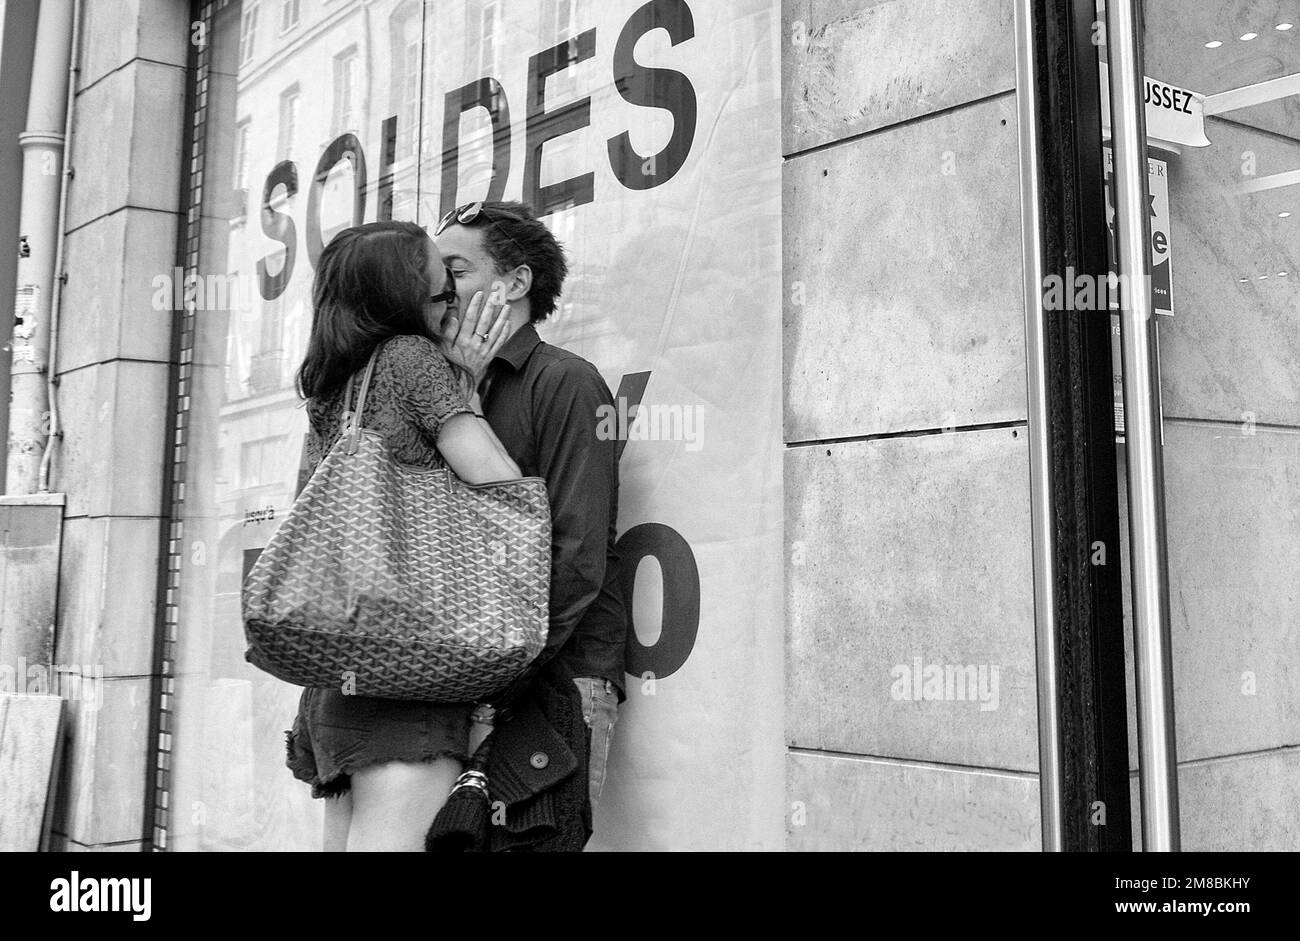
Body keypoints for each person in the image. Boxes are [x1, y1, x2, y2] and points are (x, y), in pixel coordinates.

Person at [284, 219, 518, 852]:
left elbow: (307, 506)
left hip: (339, 681)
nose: (453, 310)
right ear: (402, 297)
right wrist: (462, 387)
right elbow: (496, 481)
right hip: (409, 673)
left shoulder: (335, 382)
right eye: (443, 295)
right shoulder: (412, 360)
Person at [434, 201, 627, 825]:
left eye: (457, 271)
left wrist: (499, 671)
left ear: (516, 283)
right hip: (461, 681)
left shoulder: (566, 383)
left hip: (555, 681)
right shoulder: (439, 384)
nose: (439, 288)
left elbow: (577, 551)